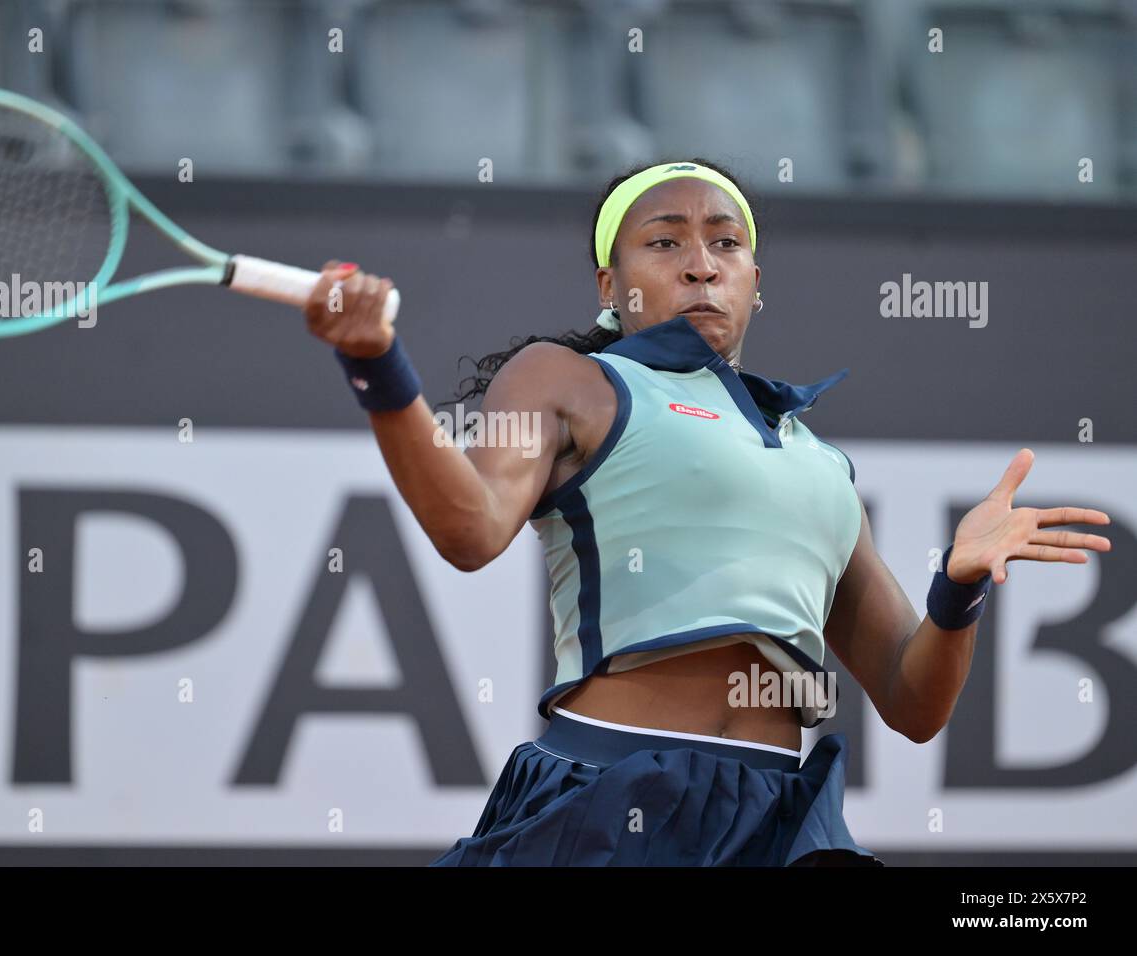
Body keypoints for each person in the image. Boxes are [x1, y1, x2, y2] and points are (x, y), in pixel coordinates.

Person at [299, 157, 1112, 866]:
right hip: (612, 793)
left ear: (756, 281)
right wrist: (378, 365)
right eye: (665, 240)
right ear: (610, 286)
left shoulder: (818, 463)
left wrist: (958, 587)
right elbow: (469, 530)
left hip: (777, 819)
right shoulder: (566, 379)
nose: (700, 264)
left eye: (726, 242)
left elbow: (912, 702)